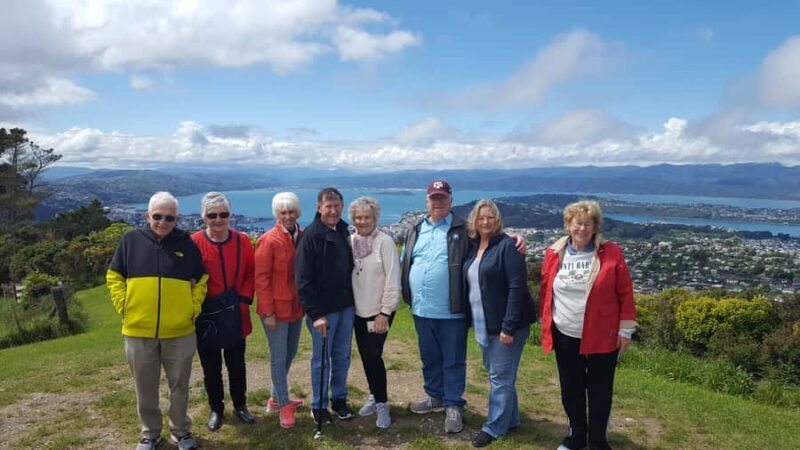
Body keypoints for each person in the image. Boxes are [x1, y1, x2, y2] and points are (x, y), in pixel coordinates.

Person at [400, 180, 526, 434]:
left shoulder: (463, 229)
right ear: (427, 201)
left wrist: (515, 238)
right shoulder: (415, 228)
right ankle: (434, 396)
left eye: (442, 198)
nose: (438, 202)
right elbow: (406, 260)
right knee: (429, 357)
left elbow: (490, 240)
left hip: (452, 310)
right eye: (434, 198)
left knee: (453, 360)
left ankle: (453, 404)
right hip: (421, 309)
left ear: (451, 200)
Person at [106, 192, 207, 450]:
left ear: (177, 219)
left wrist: (192, 308)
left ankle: (180, 431)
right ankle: (150, 434)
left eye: (169, 218)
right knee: (145, 387)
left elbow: (202, 279)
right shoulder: (131, 240)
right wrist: (124, 306)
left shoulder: (186, 244)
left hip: (180, 331)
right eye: (158, 216)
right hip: (138, 330)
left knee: (179, 387)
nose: (163, 222)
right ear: (147, 215)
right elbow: (114, 276)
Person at [539, 200, 637, 450]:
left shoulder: (611, 252)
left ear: (595, 227)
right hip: (565, 333)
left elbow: (625, 292)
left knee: (599, 391)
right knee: (571, 389)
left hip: (602, 335)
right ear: (568, 225)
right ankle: (575, 437)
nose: (582, 228)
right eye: (577, 223)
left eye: (588, 224)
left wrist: (625, 329)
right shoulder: (554, 252)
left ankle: (597, 441)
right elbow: (546, 290)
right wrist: (546, 323)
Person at [463, 200, 535, 447]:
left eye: (490, 217)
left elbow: (517, 287)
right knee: (499, 375)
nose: (485, 222)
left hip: (506, 325)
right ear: (474, 221)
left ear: (498, 220)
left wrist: (508, 326)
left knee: (500, 377)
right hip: (483, 322)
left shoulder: (508, 246)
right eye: (481, 217)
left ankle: (494, 427)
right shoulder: (473, 246)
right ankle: (511, 419)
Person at [190, 192, 256, 432]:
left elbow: (251, 272)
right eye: (212, 215)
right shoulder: (194, 242)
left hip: (236, 312)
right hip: (206, 315)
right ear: (204, 217)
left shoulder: (242, 241)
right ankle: (216, 408)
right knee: (211, 368)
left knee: (237, 365)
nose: (218, 219)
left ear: (230, 215)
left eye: (223, 214)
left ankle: (240, 405)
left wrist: (244, 300)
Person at [295, 187, 356, 425]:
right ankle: (318, 405)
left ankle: (339, 399)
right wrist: (316, 314)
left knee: (342, 357)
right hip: (323, 312)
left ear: (342, 207)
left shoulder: (343, 230)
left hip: (346, 307)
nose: (333, 210)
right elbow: (302, 280)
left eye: (337, 206)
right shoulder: (310, 236)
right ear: (319, 207)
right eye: (328, 206)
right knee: (322, 360)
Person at [348, 196, 400, 429]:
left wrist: (385, 313)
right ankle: (373, 394)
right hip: (357, 311)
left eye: (367, 217)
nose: (362, 221)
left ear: (375, 218)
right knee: (365, 356)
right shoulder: (350, 241)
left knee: (373, 356)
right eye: (358, 217)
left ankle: (382, 404)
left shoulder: (385, 242)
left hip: (378, 311)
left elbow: (392, 279)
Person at [255, 192, 305, 428]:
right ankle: (283, 405)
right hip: (275, 308)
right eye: (283, 212)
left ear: (298, 212)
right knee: (278, 356)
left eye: (292, 211)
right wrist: (268, 312)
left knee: (291, 352)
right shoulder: (268, 240)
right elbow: (261, 278)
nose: (288, 216)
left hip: (295, 306)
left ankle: (276, 398)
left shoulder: (301, 236)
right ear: (277, 214)